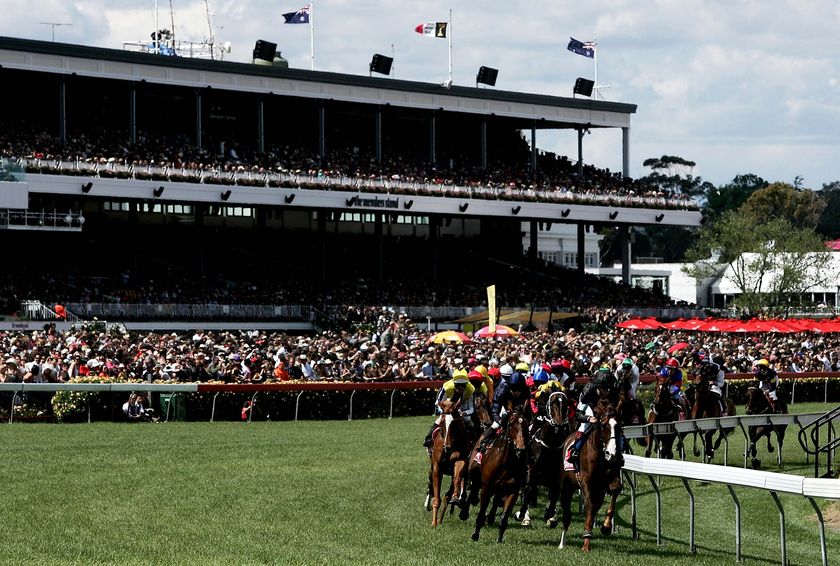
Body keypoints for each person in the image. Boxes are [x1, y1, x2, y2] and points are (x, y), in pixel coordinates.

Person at [567, 365, 621, 468]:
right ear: (597, 386)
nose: (606, 392)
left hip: (606, 411)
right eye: (603, 389)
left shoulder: (613, 387)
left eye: (607, 389)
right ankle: (574, 450)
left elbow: (616, 406)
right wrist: (588, 418)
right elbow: (577, 414)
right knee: (584, 427)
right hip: (590, 407)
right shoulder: (588, 389)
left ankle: (620, 455)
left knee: (615, 427)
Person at [422, 369, 475, 453]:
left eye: (463, 385)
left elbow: (472, 408)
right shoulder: (447, 386)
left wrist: (465, 413)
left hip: (462, 406)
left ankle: (473, 445)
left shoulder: (471, 389)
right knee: (439, 420)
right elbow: (438, 402)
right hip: (447, 405)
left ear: (466, 384)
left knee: (470, 422)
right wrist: (443, 412)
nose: (460, 387)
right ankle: (429, 441)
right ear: (454, 383)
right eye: (458, 385)